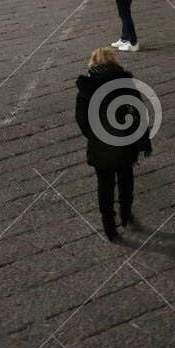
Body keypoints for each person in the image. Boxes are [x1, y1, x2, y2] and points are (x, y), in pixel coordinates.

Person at [74, 46, 153, 242]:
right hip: (124, 142)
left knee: (105, 184)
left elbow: (81, 120)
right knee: (126, 179)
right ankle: (126, 214)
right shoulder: (125, 83)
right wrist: (142, 140)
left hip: (100, 145)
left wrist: (94, 136)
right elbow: (139, 113)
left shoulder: (86, 88)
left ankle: (109, 226)